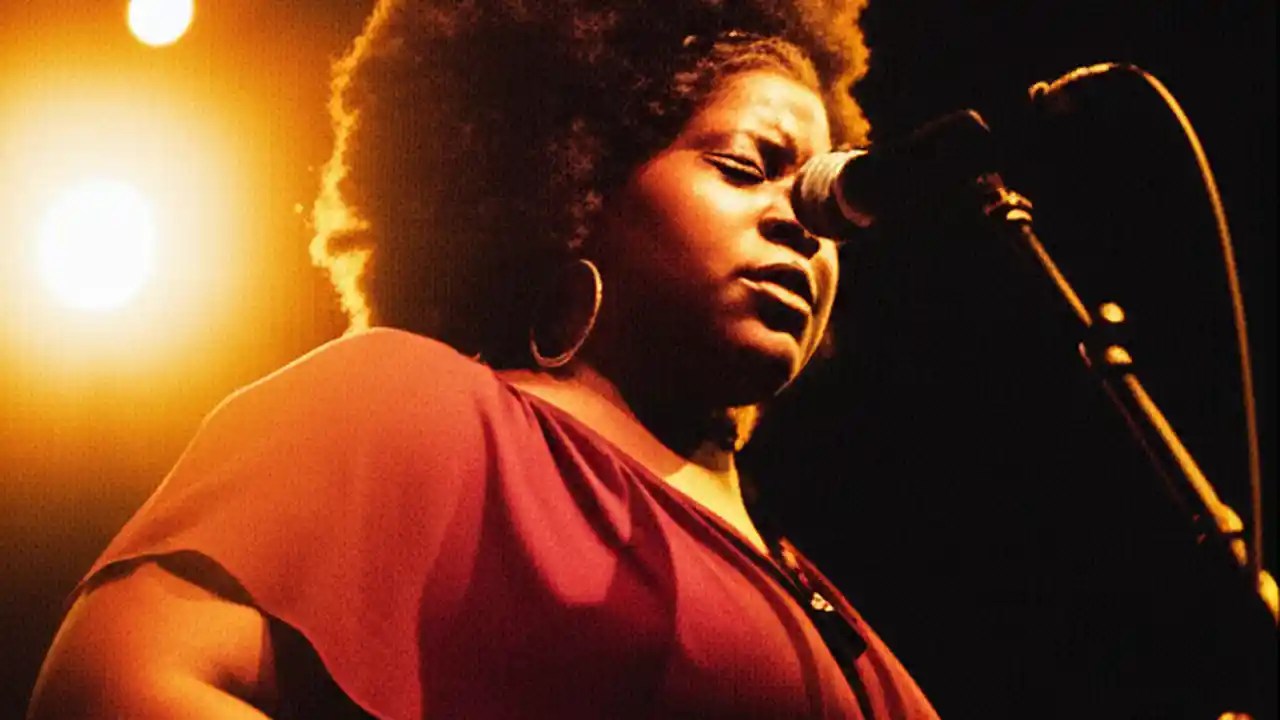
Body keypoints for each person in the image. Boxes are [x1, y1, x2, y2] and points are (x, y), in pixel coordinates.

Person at [29, 1, 939, 717]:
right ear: (573, 185)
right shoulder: (412, 403)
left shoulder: (830, 614)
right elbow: (117, 688)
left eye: (826, 205)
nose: (799, 223)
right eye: (746, 167)